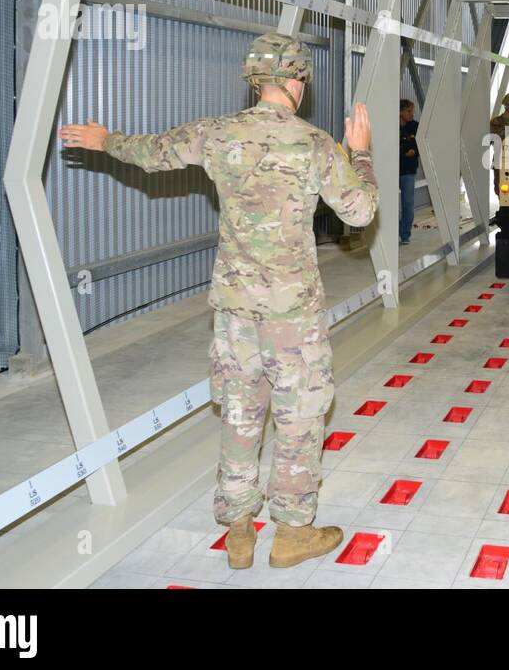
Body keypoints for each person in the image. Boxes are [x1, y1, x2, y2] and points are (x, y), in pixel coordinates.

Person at [57, 33, 378, 571]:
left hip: (233, 310)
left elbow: (152, 153)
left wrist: (104, 139)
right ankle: (293, 533)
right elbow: (361, 212)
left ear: (255, 80)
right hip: (291, 315)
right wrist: (361, 151)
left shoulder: (215, 134)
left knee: (240, 414)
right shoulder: (316, 144)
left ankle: (238, 531)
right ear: (298, 81)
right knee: (298, 418)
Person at [399, 99, 419, 246]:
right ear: (400, 112)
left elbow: (419, 144)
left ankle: (405, 234)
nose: (412, 114)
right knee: (390, 205)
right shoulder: (393, 127)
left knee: (408, 205)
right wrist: (404, 151)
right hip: (394, 170)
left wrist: (413, 151)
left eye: (412, 111)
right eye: (409, 111)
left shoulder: (416, 127)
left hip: (409, 171)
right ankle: (394, 231)